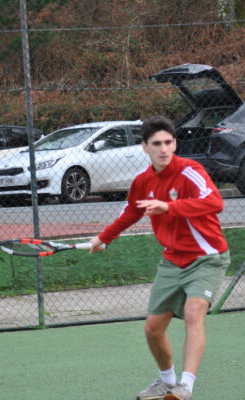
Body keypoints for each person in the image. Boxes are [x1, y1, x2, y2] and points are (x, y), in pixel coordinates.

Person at [90, 116, 230, 400]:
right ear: (145, 147)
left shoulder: (190, 170)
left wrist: (169, 206)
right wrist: (103, 237)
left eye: (168, 142)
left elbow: (215, 202)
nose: (163, 149)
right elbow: (131, 211)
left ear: (175, 144)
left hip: (207, 256)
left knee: (194, 312)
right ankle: (166, 382)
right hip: (172, 260)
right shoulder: (143, 181)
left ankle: (185, 386)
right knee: (153, 329)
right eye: (156, 144)